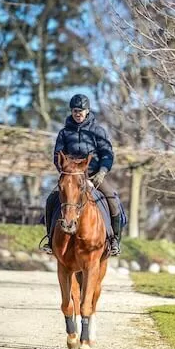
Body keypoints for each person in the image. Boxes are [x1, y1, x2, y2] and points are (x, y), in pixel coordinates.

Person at [40, 94, 122, 256]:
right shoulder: (64, 133)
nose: (78, 114)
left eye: (81, 111)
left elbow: (107, 153)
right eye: (75, 111)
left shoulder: (98, 131)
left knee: (112, 199)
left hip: (93, 175)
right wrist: (67, 173)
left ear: (88, 111)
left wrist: (103, 171)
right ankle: (50, 239)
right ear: (71, 111)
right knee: (51, 199)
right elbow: (58, 156)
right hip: (71, 176)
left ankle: (114, 240)